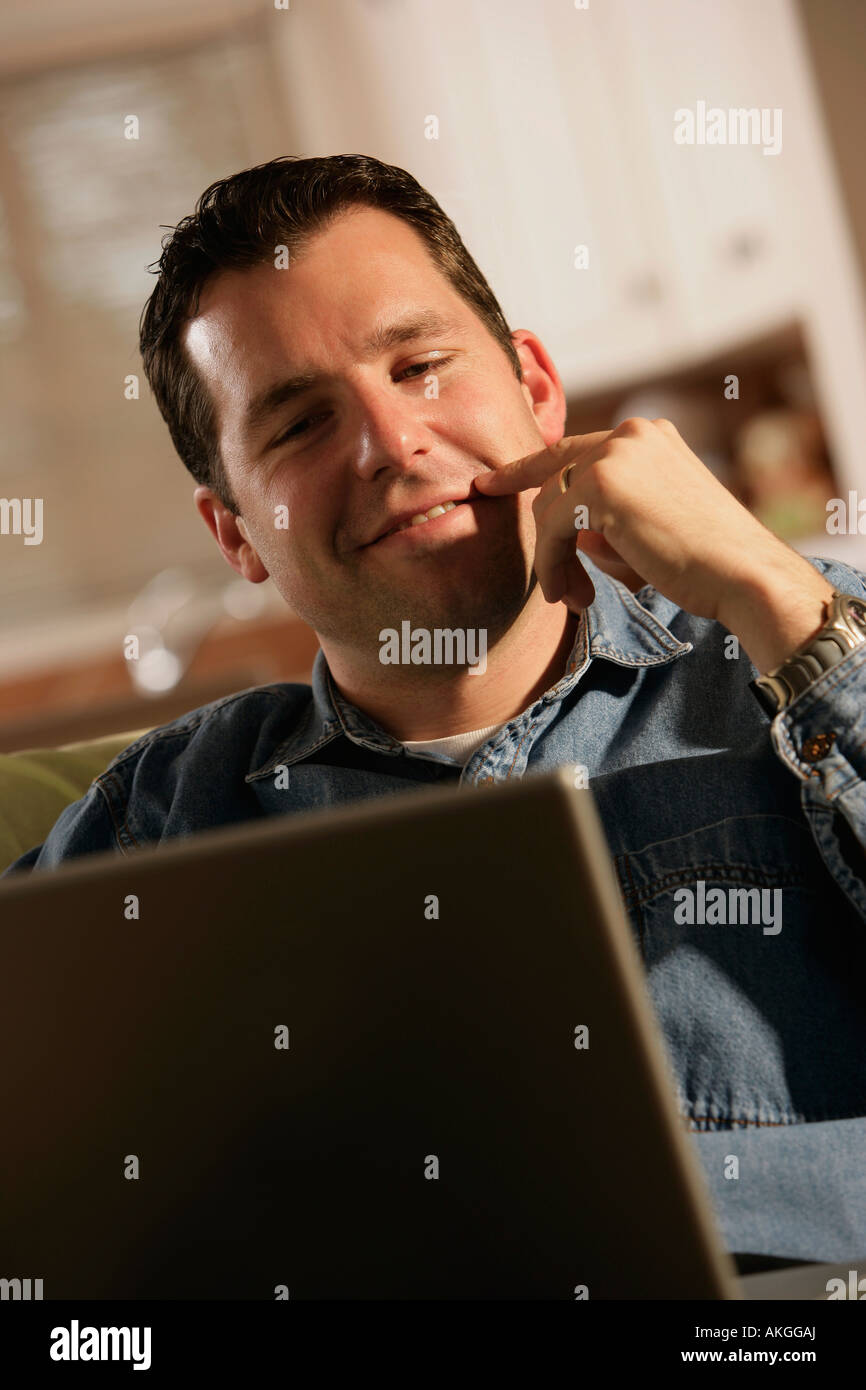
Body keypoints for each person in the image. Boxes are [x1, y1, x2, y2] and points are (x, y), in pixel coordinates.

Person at [5, 154, 866, 1266]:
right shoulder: (166, 814)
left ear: (536, 387)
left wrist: (774, 599)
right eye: (299, 424)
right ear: (234, 535)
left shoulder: (806, 633)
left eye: (419, 365)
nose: (390, 443)